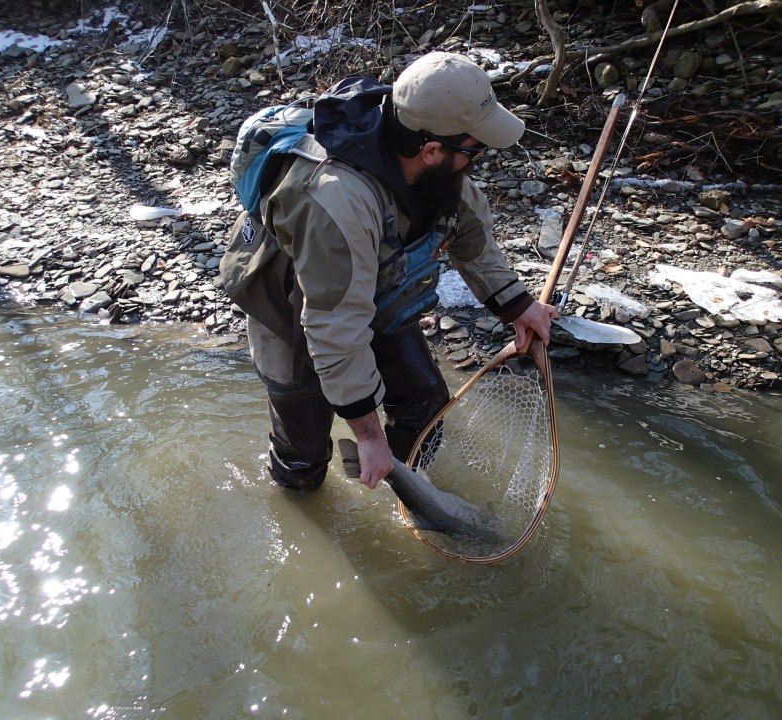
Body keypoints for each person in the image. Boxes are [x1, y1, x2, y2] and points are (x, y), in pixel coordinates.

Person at [218, 51, 558, 492]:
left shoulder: (435, 166)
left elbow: (472, 234)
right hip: (284, 296)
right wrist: (368, 434)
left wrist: (517, 305)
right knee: (303, 451)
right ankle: (302, 493)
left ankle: (403, 485)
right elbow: (334, 326)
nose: (478, 160)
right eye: (475, 150)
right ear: (431, 150)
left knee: (424, 402)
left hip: (364, 284)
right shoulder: (338, 200)